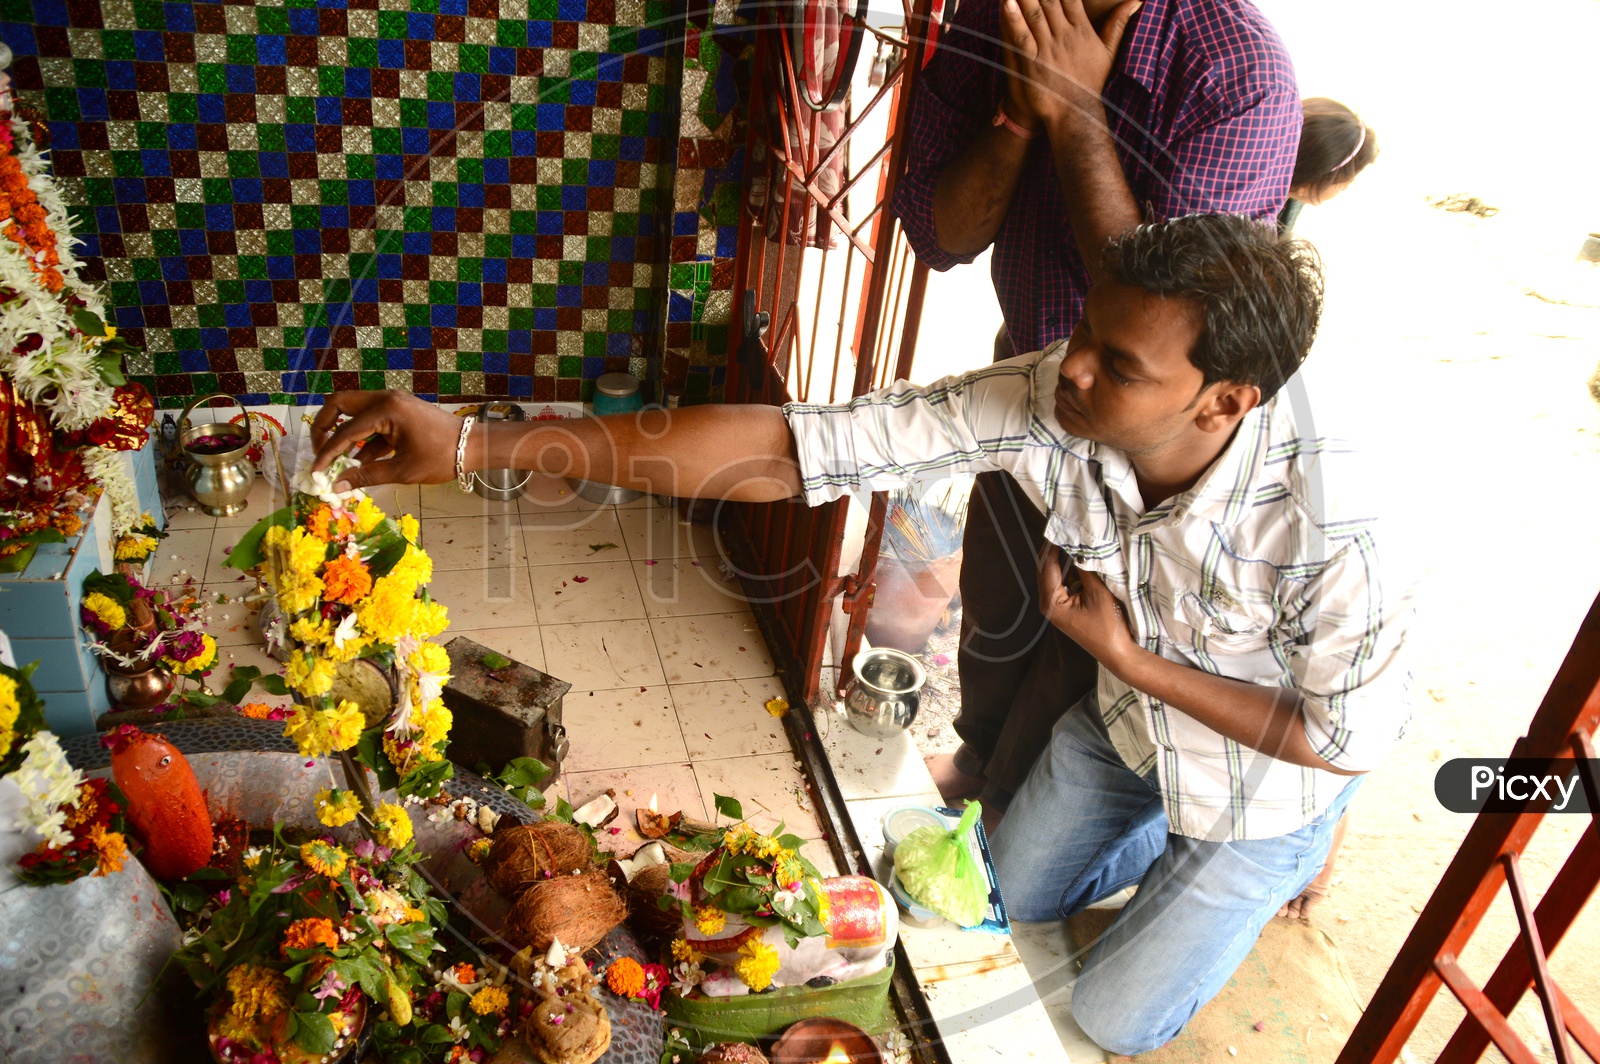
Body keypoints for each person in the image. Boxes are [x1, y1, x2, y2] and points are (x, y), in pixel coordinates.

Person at [310, 214, 1414, 1053]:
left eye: (1119, 365)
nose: (1071, 367)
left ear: (1224, 400)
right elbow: (801, 447)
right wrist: (472, 446)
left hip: (1268, 783)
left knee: (1114, 1017)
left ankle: (1262, 866)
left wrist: (1128, 657)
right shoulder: (1055, 394)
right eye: (1085, 331)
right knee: (985, 903)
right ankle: (1140, 842)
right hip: (1123, 735)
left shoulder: (1336, 525)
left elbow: (1336, 732)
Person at [890, 0, 1303, 818]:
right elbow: (941, 236)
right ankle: (980, 765)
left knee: (1088, 647)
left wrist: (1075, 113)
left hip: (1149, 434)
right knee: (1001, 597)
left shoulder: (1238, 73)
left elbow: (1170, 310)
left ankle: (1017, 810)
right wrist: (1018, 112)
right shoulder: (994, 15)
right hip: (1032, 380)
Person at [1279, 98, 1380, 231]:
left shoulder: (1285, 200)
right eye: (1342, 185)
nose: (1346, 187)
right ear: (1307, 182)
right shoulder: (1257, 218)